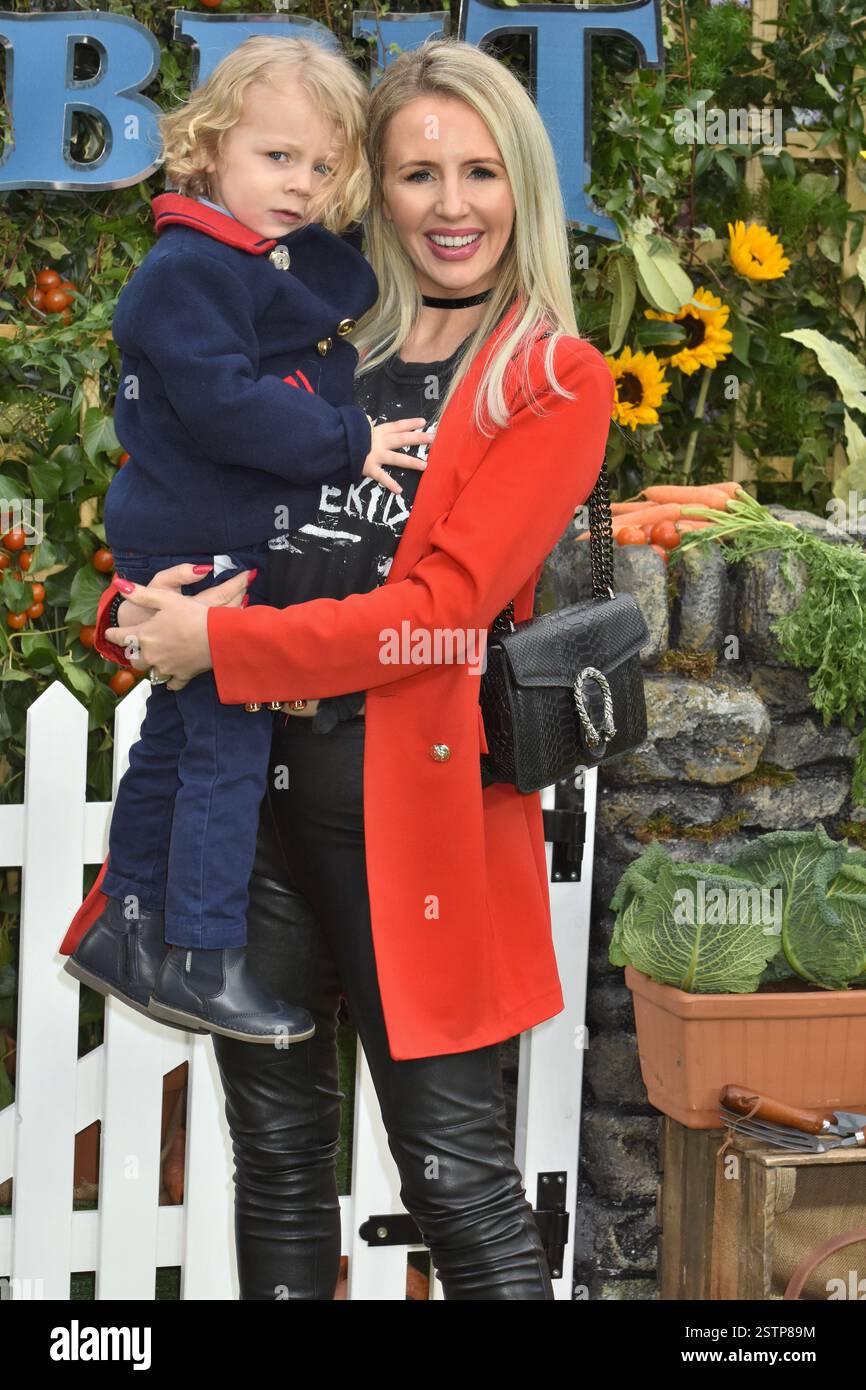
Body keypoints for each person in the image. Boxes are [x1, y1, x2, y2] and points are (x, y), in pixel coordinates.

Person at [61, 37, 615, 1299]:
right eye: (416, 174)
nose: (451, 204)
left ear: (521, 185)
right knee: (277, 1161)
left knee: (455, 1178)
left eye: (480, 171)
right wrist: (141, 613)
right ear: (373, 189)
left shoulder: (543, 382)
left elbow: (439, 616)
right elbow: (189, 517)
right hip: (247, 810)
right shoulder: (316, 356)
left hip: (406, 821)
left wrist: (225, 645)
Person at [62, 35, 433, 1043]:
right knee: (229, 752)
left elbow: (329, 296)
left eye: (321, 166)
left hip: (206, 540)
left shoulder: (246, 257)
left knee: (176, 744)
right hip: (199, 552)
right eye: (276, 158)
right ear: (207, 151)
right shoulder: (188, 271)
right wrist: (346, 439)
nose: (300, 184)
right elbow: (227, 409)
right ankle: (200, 956)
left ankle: (122, 929)